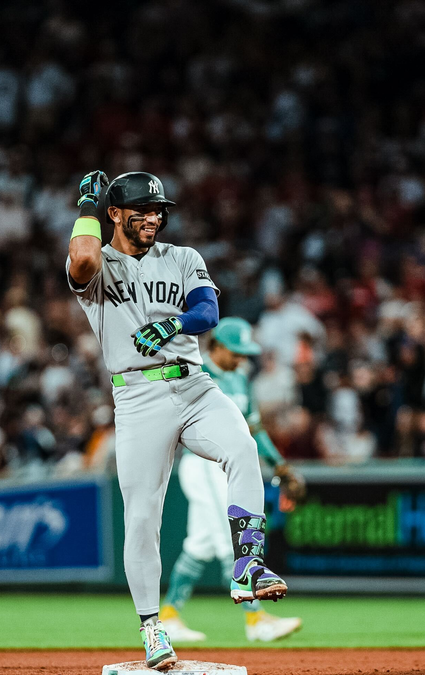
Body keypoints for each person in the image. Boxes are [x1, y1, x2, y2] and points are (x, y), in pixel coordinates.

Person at [66, 171, 287, 671]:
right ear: (114, 214)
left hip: (193, 383)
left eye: (159, 209)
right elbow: (82, 258)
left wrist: (174, 322)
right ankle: (152, 628)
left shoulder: (183, 258)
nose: (155, 216)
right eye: (143, 208)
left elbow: (208, 311)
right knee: (142, 517)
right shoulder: (98, 264)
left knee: (242, 446)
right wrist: (85, 204)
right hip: (138, 396)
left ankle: (248, 564)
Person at [160, 318, 303, 643]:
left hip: (229, 466)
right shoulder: (196, 372)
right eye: (236, 351)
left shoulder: (239, 379)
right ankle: (256, 620)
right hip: (204, 463)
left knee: (200, 545)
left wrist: (279, 464)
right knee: (231, 541)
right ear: (218, 347)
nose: (242, 358)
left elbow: (254, 427)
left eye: (245, 352)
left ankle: (168, 616)